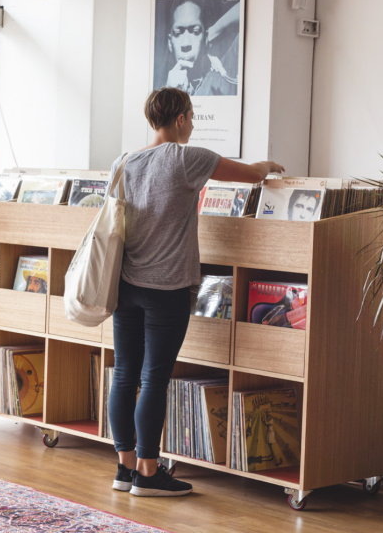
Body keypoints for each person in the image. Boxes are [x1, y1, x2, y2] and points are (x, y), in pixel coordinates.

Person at [107, 87, 284, 497]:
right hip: (166, 287)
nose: (192, 124)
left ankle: (125, 469)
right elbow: (250, 173)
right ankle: (149, 476)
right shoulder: (188, 157)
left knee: (125, 374)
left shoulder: (124, 161)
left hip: (126, 285)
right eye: (192, 116)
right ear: (183, 118)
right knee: (154, 378)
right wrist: (269, 165)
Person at [160, 0, 239, 96]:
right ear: (170, 43)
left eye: (195, 31)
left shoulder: (222, 76)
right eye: (178, 33)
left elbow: (245, 8)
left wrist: (213, 31)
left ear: (205, 38)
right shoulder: (166, 89)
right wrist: (169, 91)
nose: (186, 44)